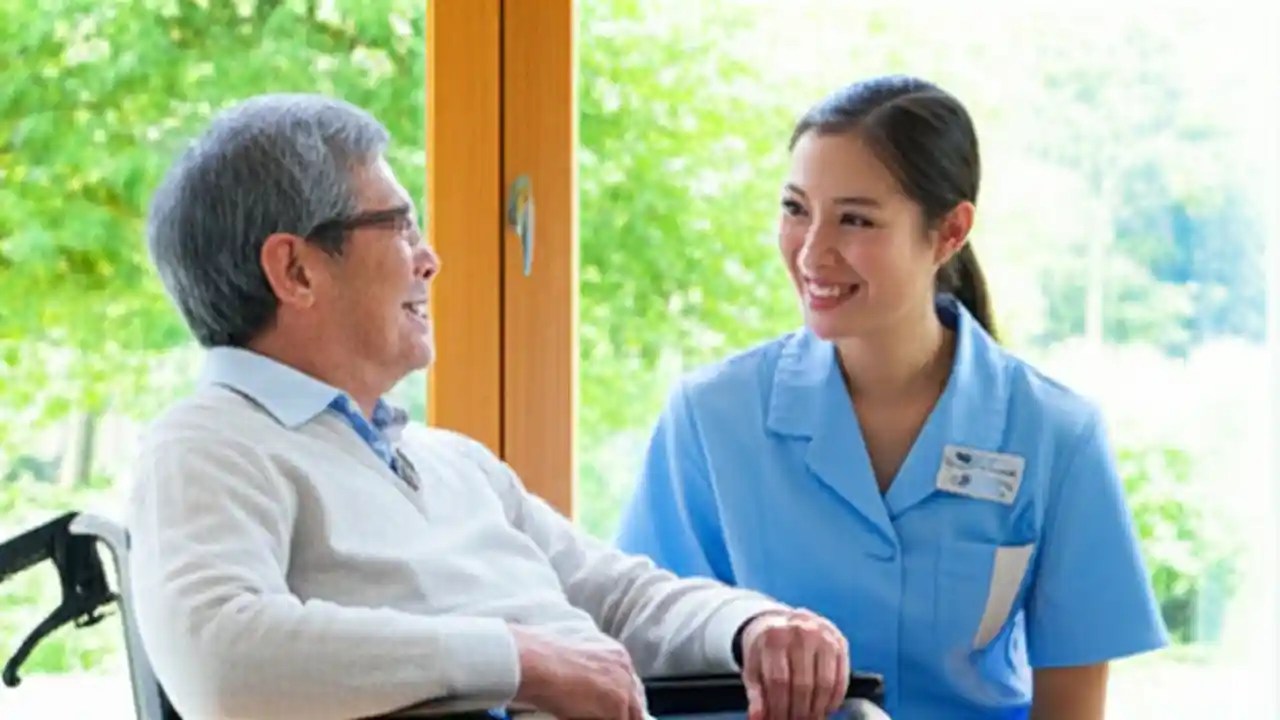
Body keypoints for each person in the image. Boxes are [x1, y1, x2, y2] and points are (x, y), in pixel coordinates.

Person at [129, 93, 855, 720]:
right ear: (295, 270)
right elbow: (220, 663)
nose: (429, 259)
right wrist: (519, 658)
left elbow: (619, 597)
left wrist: (753, 625)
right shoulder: (210, 442)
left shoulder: (446, 459)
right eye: (399, 226)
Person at [614, 75, 1168, 720]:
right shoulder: (711, 417)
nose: (813, 252)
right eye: (796, 209)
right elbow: (649, 644)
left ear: (950, 232)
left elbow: (1071, 705)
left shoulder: (1055, 434)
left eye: (855, 219)